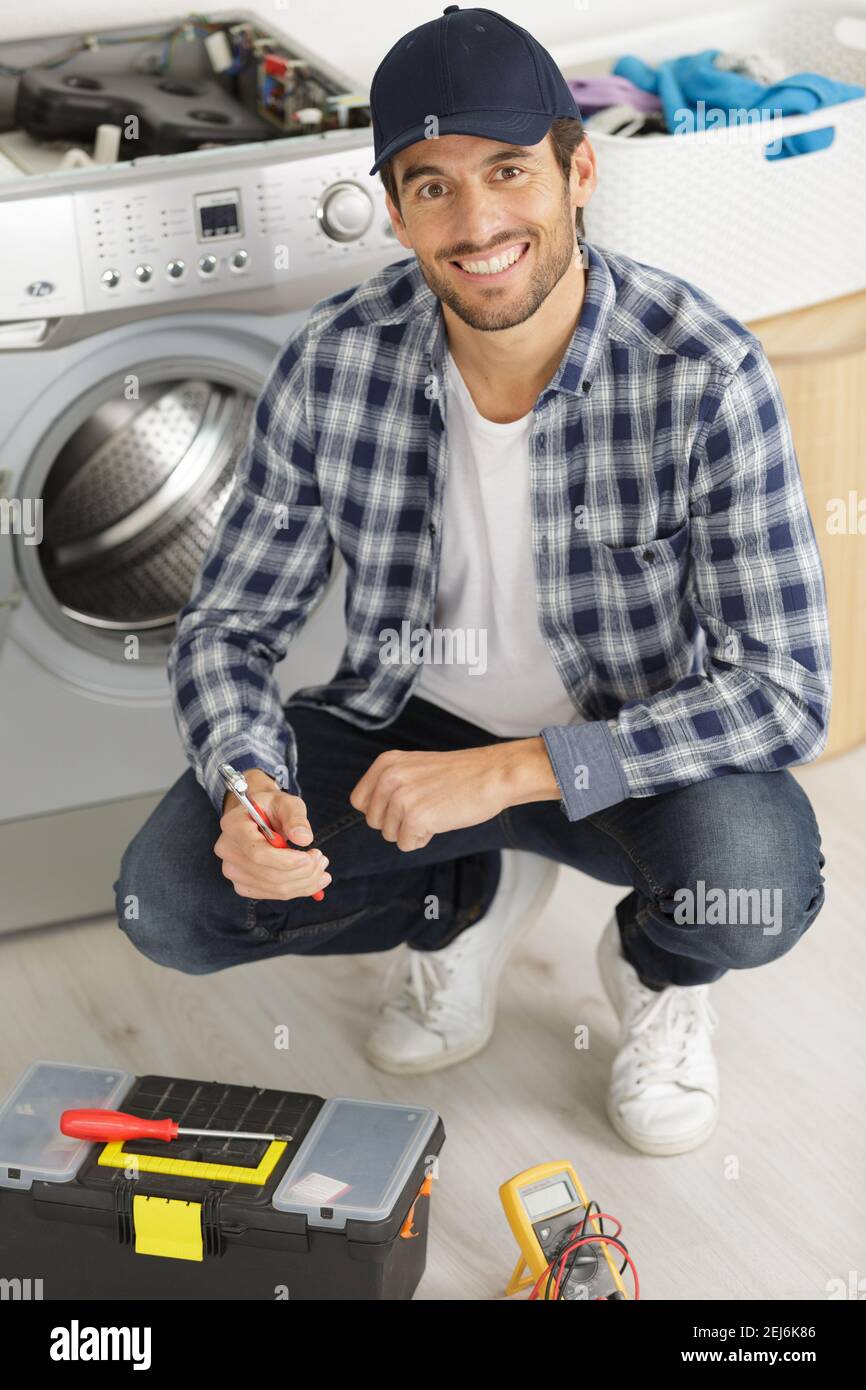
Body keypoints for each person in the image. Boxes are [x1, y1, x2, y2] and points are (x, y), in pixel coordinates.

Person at [115, 6, 829, 1157]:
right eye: (432, 185)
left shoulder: (700, 370)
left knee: (749, 884)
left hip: (628, 747)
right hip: (407, 730)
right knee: (179, 899)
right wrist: (249, 777)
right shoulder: (336, 358)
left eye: (508, 171)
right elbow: (229, 626)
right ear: (393, 211)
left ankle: (656, 968)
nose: (478, 219)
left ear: (577, 169)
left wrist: (515, 772)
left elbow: (786, 694)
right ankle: (462, 905)